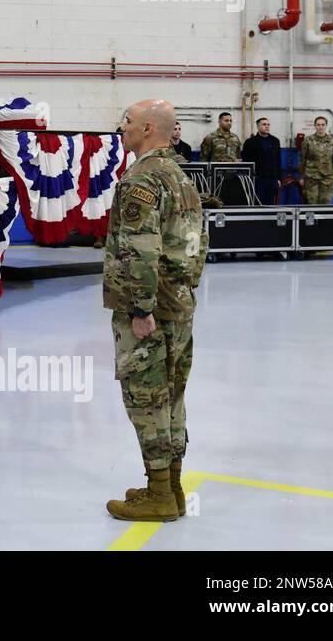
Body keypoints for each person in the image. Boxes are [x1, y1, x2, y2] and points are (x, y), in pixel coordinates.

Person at [103, 99, 207, 523]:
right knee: (173, 394)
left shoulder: (142, 180)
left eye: (126, 121)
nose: (120, 127)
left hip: (151, 308)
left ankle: (159, 493)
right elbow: (198, 245)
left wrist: (141, 308)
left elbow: (139, 250)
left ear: (147, 128)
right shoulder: (181, 176)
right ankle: (172, 487)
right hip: (179, 303)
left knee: (146, 396)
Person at [300, 116, 333, 204]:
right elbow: (302, 159)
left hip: (328, 177)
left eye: (323, 124)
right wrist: (301, 177)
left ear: (326, 126)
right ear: (315, 126)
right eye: (318, 125)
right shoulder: (308, 140)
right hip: (311, 177)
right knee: (312, 203)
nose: (320, 127)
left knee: (326, 203)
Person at [241, 117, 282, 205]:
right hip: (258, 179)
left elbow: (278, 160)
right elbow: (245, 161)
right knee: (257, 202)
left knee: (270, 203)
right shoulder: (250, 142)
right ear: (258, 127)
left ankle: (269, 219)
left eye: (268, 124)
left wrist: (278, 178)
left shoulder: (275, 141)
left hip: (272, 178)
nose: (267, 126)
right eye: (264, 124)